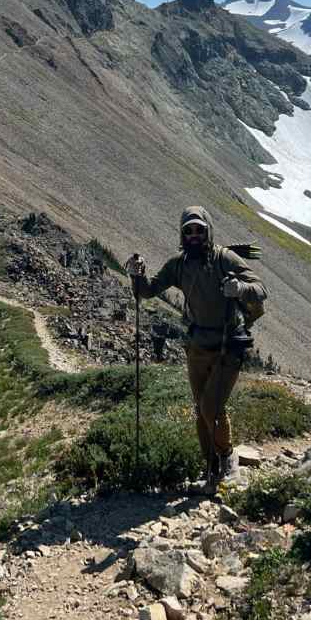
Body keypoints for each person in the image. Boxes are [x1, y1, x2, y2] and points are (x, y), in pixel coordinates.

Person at [126, 206, 267, 494]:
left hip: (230, 343)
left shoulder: (224, 258)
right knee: (201, 410)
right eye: (189, 230)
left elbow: (261, 289)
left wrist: (239, 288)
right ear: (182, 233)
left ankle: (228, 459)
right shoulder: (179, 264)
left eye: (199, 230)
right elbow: (148, 291)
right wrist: (136, 275)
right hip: (198, 345)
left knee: (210, 407)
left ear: (208, 231)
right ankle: (211, 471)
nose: (194, 235)